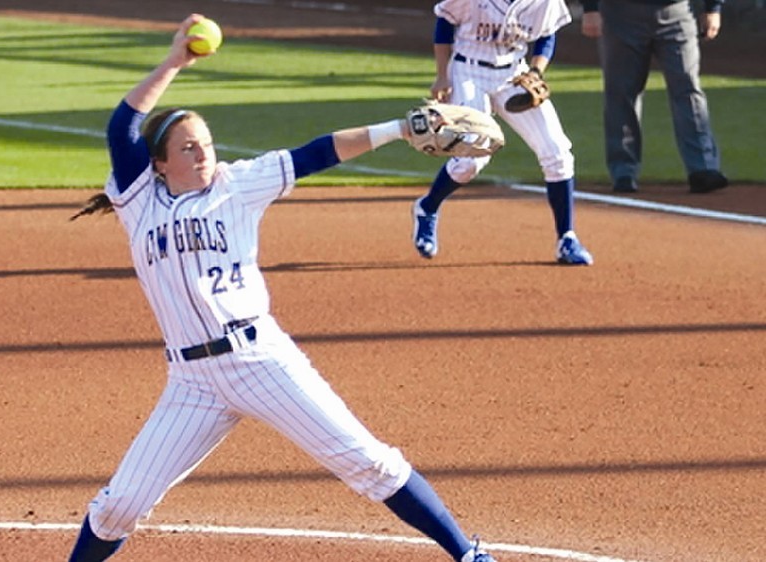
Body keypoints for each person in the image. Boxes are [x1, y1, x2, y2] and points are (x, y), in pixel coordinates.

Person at [66, 13, 499, 562]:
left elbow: (317, 152)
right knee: (118, 506)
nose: (204, 154)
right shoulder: (138, 199)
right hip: (191, 381)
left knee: (368, 462)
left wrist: (397, 129)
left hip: (260, 361)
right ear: (159, 163)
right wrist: (176, 59)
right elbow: (120, 128)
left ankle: (469, 555)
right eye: (189, 149)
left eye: (206, 143)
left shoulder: (238, 185)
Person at [413, 0, 594, 266]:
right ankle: (427, 208)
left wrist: (536, 72)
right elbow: (445, 22)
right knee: (470, 159)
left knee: (557, 153)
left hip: (514, 75)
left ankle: (566, 238)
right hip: (468, 71)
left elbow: (546, 34)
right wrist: (442, 75)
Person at [580, 0, 729, 194]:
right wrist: (590, 8)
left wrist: (713, 8)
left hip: (677, 11)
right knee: (622, 92)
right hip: (620, 14)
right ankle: (623, 172)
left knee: (688, 90)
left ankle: (703, 169)